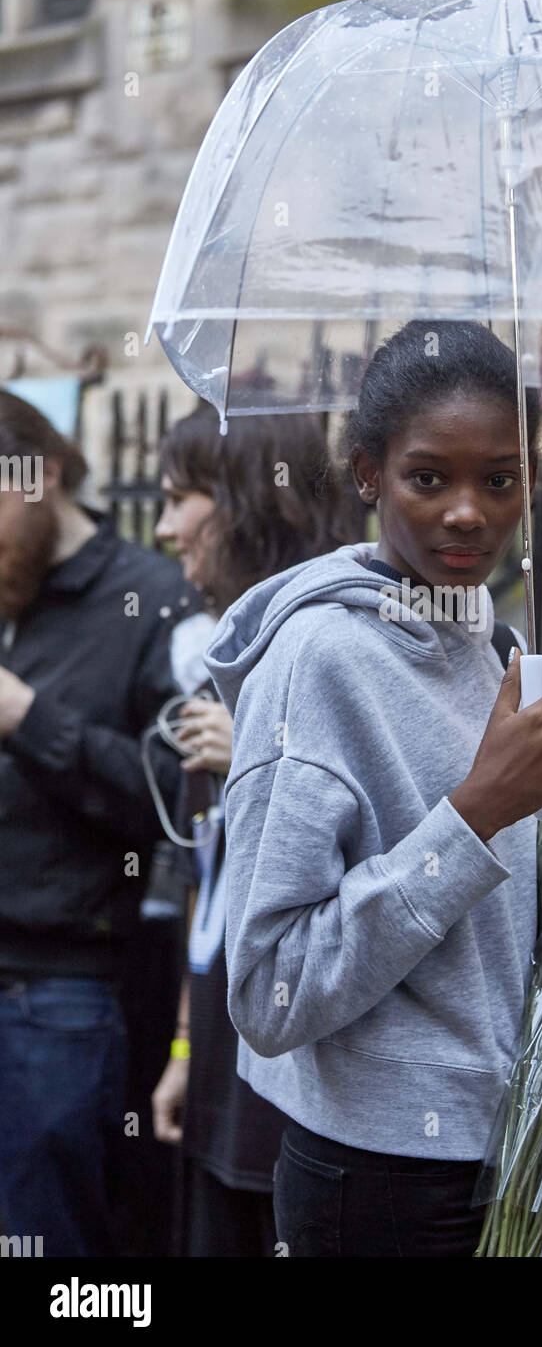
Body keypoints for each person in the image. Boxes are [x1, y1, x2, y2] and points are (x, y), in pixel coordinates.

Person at [203, 320, 542, 1258]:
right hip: (380, 1182)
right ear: (368, 474)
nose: (469, 513)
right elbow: (271, 991)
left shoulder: (500, 650)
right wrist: (473, 816)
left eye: (500, 480)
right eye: (428, 478)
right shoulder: (318, 661)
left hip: (521, 1148)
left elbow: (503, 944)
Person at [149, 399, 352, 1256]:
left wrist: (262, 762)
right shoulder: (222, 659)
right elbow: (206, 880)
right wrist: (184, 1047)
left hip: (304, 1073)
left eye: (179, 499)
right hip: (220, 1048)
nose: (163, 529)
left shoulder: (333, 646)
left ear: (247, 502)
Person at [0, 390, 192, 1257]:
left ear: (39, 477)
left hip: (61, 992)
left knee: (51, 1246)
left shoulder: (151, 598)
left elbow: (175, 794)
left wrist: (27, 718)